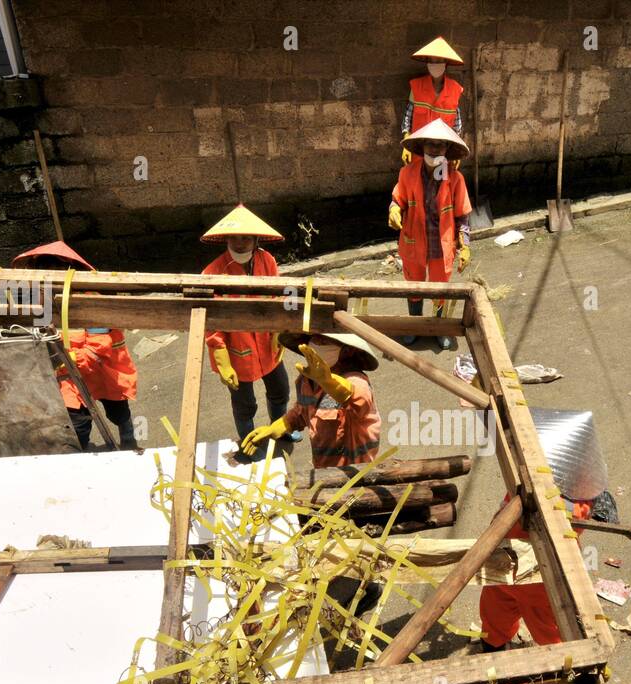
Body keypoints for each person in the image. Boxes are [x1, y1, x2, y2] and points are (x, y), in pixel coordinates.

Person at [481, 409, 609, 651]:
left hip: (506, 565)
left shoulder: (520, 490)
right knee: (548, 627)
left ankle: (493, 645)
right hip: (538, 579)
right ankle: (558, 660)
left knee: (499, 613)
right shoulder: (577, 503)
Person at [11, 240, 139, 450]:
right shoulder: (42, 302)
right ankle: (80, 454)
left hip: (104, 370)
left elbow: (99, 345)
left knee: (118, 412)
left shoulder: (90, 299)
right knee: (77, 423)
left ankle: (129, 441)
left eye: (51, 271)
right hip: (69, 375)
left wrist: (73, 359)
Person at [199, 204, 299, 459]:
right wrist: (222, 360)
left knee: (280, 390)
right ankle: (247, 442)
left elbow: (279, 297)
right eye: (235, 237)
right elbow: (211, 322)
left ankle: (279, 429)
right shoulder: (212, 273)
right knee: (245, 405)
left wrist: (280, 329)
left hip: (268, 343)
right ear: (226, 238)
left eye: (246, 237)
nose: (241, 243)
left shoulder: (267, 260)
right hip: (237, 350)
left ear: (256, 239)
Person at [389, 118, 472, 351]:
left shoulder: (455, 179)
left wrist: (465, 245)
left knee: (440, 287)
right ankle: (415, 326)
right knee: (414, 286)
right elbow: (397, 199)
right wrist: (394, 210)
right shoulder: (407, 173)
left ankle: (438, 329)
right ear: (423, 146)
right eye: (431, 144)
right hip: (413, 241)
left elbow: (463, 217)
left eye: (440, 145)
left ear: (447, 150)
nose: (435, 149)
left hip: (441, 244)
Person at [240, 331, 380, 468]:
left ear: (347, 350)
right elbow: (302, 411)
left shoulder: (356, 381)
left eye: (325, 341)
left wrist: (328, 382)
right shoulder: (307, 379)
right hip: (323, 466)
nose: (317, 343)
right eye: (314, 338)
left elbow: (358, 399)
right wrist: (278, 426)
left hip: (356, 471)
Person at [400, 36, 464, 164]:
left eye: (439, 61)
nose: (435, 65)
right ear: (427, 64)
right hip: (418, 150)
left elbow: (457, 125)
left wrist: (457, 149)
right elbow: (407, 118)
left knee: (440, 180)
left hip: (442, 152)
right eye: (432, 61)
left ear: (445, 64)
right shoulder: (416, 87)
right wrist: (406, 143)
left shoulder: (455, 89)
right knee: (416, 180)